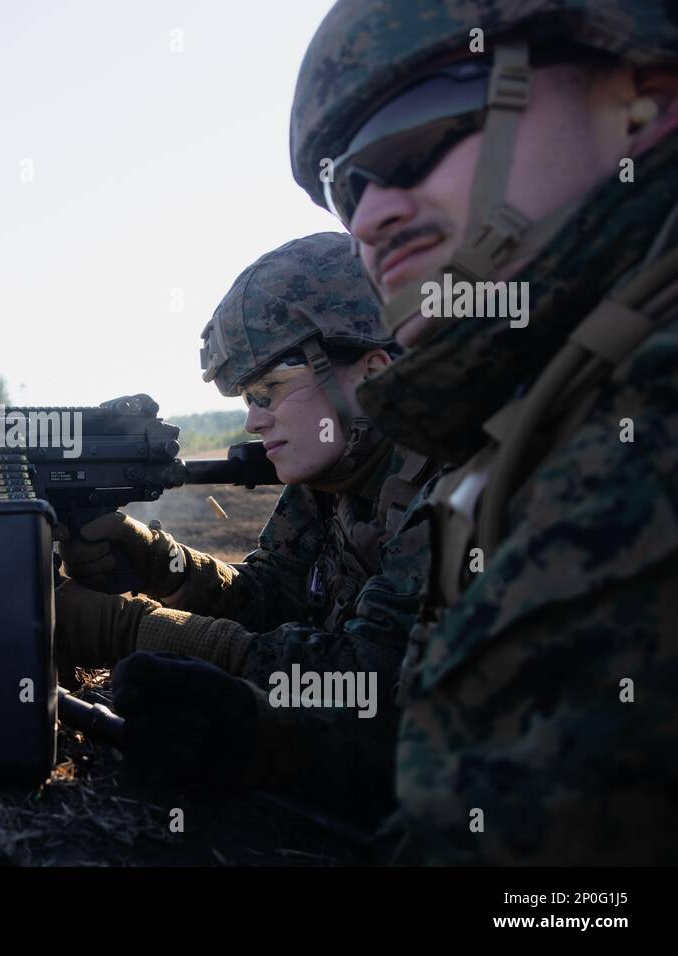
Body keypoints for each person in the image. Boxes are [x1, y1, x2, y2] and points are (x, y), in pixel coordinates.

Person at [290, 0, 678, 863]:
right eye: (345, 185)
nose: (366, 219)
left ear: (646, 98)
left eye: (408, 140)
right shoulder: (539, 406)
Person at [54, 232, 436, 820]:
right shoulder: (332, 480)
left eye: (269, 391)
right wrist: (159, 564)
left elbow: (369, 682)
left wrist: (132, 631)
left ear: (372, 373)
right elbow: (268, 597)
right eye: (246, 399)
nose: (255, 420)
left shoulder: (447, 483)